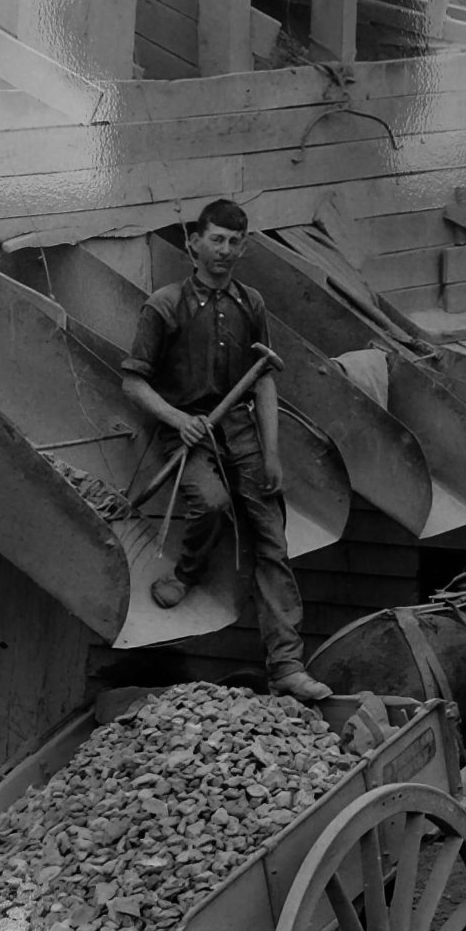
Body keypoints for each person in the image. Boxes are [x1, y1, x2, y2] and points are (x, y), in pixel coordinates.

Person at [121, 198, 332, 704]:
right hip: (186, 431)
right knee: (212, 505)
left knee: (272, 542)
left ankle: (286, 665)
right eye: (216, 239)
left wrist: (273, 453)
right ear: (194, 243)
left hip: (240, 432)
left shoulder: (250, 304)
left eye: (236, 241)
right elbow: (133, 383)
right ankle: (188, 572)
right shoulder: (165, 305)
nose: (226, 250)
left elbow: (263, 383)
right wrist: (177, 419)